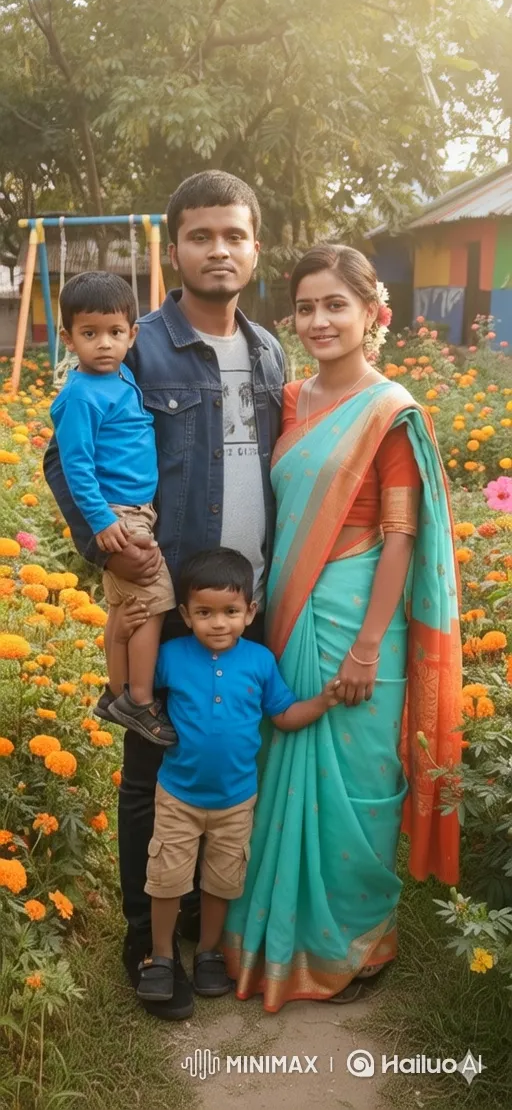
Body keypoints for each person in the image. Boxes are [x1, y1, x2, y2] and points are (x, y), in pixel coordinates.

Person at [43, 171, 286, 1021]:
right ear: (173, 249)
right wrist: (109, 548)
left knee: (222, 759)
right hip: (167, 589)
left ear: (256, 246)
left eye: (236, 235)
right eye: (201, 236)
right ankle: (148, 942)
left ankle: (206, 924)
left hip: (242, 600)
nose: (220, 250)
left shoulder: (267, 350)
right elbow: (60, 461)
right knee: (152, 768)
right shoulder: (131, 344)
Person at [224, 244, 462, 1010]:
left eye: (336, 305)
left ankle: (359, 943)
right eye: (306, 307)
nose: (319, 320)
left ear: (373, 315)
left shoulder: (390, 412)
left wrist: (365, 645)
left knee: (360, 785)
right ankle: (277, 940)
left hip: (365, 618)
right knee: (285, 764)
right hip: (292, 614)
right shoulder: (290, 401)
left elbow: (402, 537)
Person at [111, 549, 341, 1006]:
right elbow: (123, 688)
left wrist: (324, 702)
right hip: (177, 795)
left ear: (250, 611)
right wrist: (118, 636)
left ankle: (210, 953)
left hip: (236, 800)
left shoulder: (259, 662)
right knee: (167, 880)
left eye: (231, 612)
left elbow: (285, 715)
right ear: (185, 614)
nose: (218, 623)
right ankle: (161, 956)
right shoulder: (172, 656)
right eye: (205, 613)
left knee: (221, 882)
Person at [50, 272, 177, 747]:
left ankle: (116, 691)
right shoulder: (79, 396)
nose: (103, 344)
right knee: (152, 603)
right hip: (120, 512)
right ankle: (138, 700)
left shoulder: (121, 375)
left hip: (139, 508)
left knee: (129, 605)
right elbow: (75, 467)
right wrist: (102, 521)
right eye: (89, 334)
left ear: (132, 335)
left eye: (115, 333)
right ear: (68, 337)